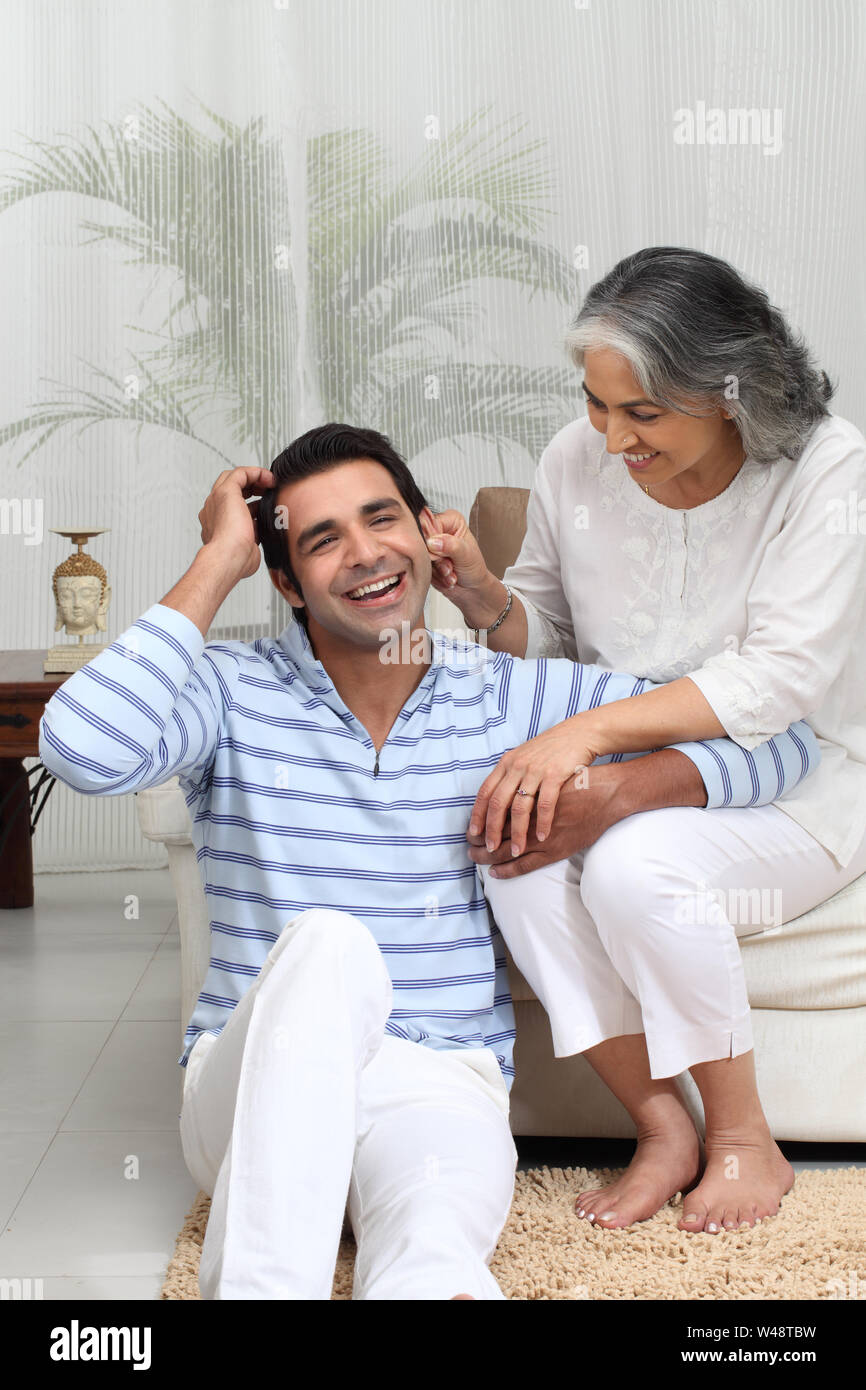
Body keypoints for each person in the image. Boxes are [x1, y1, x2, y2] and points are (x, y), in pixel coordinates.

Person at [39, 423, 819, 1298]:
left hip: (440, 1083)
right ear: (286, 579)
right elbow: (80, 749)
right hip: (256, 1078)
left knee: (437, 1259)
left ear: (427, 534)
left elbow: (776, 741)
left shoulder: (510, 693)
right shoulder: (227, 691)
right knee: (331, 947)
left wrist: (610, 787)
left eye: (384, 520)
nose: (366, 554)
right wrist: (221, 558)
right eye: (323, 539)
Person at [427, 246, 866, 1236]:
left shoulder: (825, 467)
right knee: (514, 855)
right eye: (595, 403)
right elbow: (550, 639)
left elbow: (777, 680)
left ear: (728, 393)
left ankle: (746, 1140)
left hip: (801, 782)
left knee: (632, 867)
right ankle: (660, 1126)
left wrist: (582, 737)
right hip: (630, 764)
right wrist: (484, 600)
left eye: (642, 413)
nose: (610, 436)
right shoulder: (571, 460)